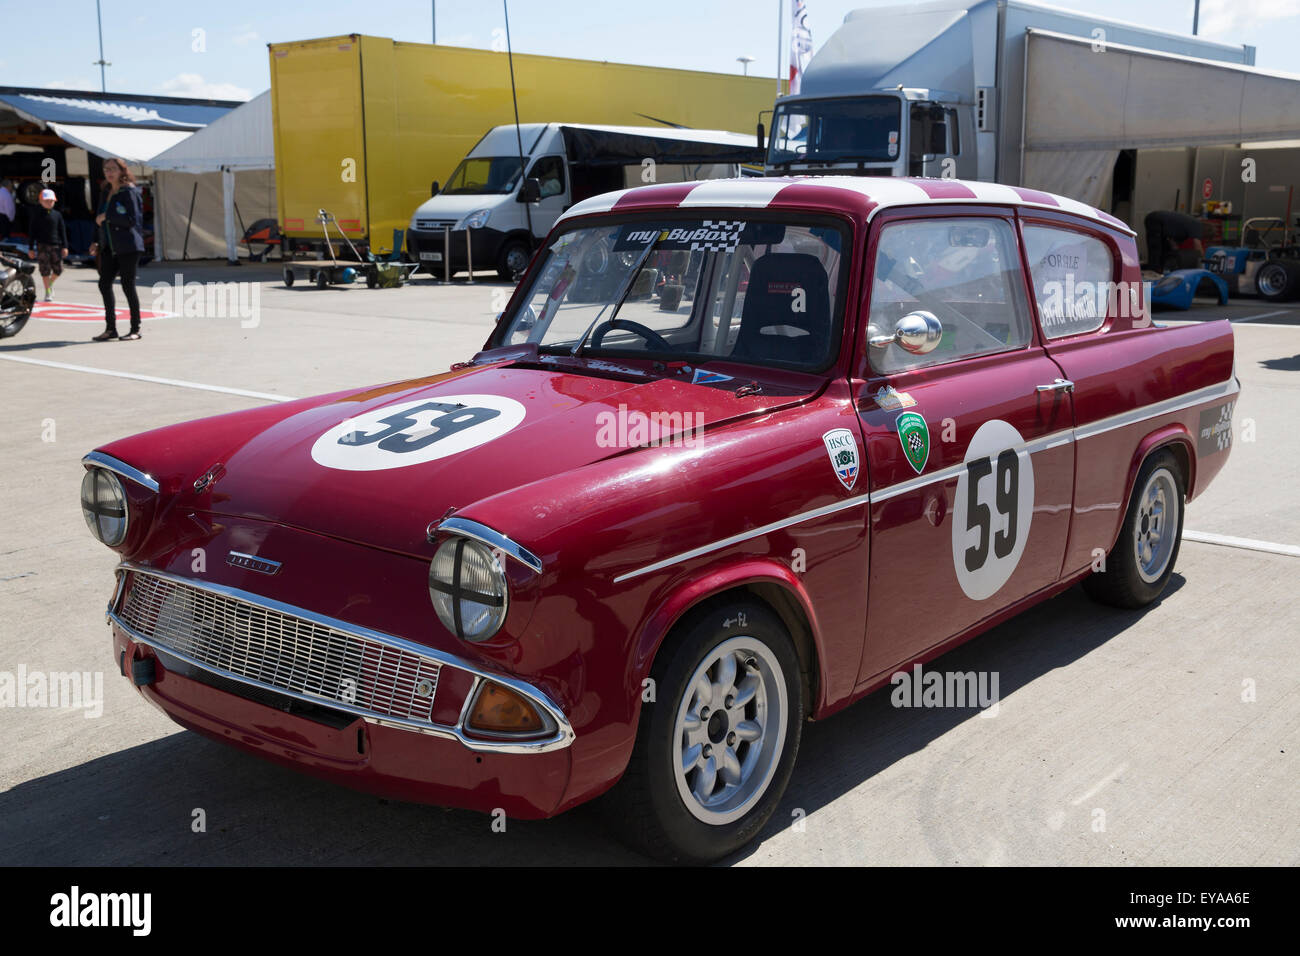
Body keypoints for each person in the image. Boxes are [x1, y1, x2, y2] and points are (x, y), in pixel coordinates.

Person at [90, 158, 145, 342]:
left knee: (128, 286)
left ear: (122, 170)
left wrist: (108, 216)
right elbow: (99, 220)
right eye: (106, 169)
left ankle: (135, 329)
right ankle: (110, 329)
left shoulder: (129, 191)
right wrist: (96, 241)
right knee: (104, 284)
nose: (109, 172)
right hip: (109, 247)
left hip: (128, 246)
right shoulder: (106, 191)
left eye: (113, 169)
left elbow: (132, 220)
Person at [30, 188, 68, 301]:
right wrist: (31, 248)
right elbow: (32, 232)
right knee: (44, 270)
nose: (49, 203)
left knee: (58, 269)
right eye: (46, 201)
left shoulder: (57, 215)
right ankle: (48, 292)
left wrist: (65, 246)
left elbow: (62, 231)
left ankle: (50, 283)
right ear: (40, 201)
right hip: (42, 246)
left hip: (56, 246)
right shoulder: (37, 215)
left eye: (51, 201)